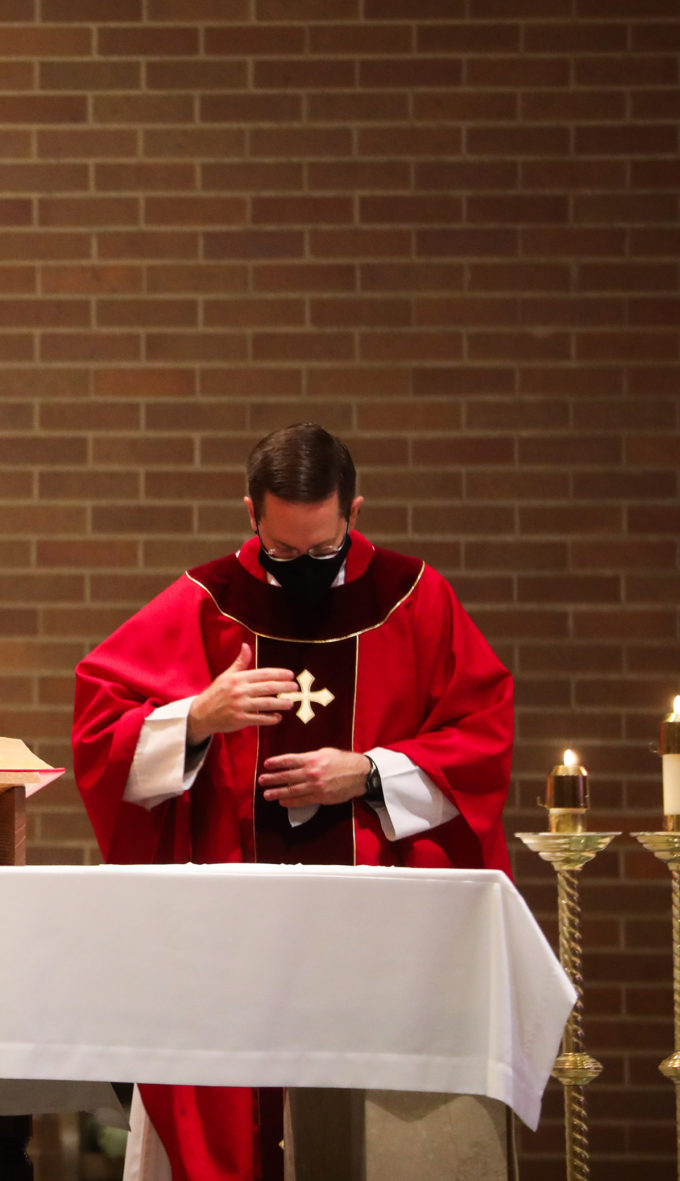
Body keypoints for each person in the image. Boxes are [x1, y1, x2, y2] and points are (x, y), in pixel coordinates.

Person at [71, 423, 514, 1181]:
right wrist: (198, 716)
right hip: (235, 926)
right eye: (282, 551)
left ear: (354, 512)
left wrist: (368, 772)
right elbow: (98, 737)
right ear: (251, 513)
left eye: (322, 549)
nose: (304, 567)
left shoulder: (414, 597)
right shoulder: (208, 601)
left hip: (377, 924)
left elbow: (483, 735)